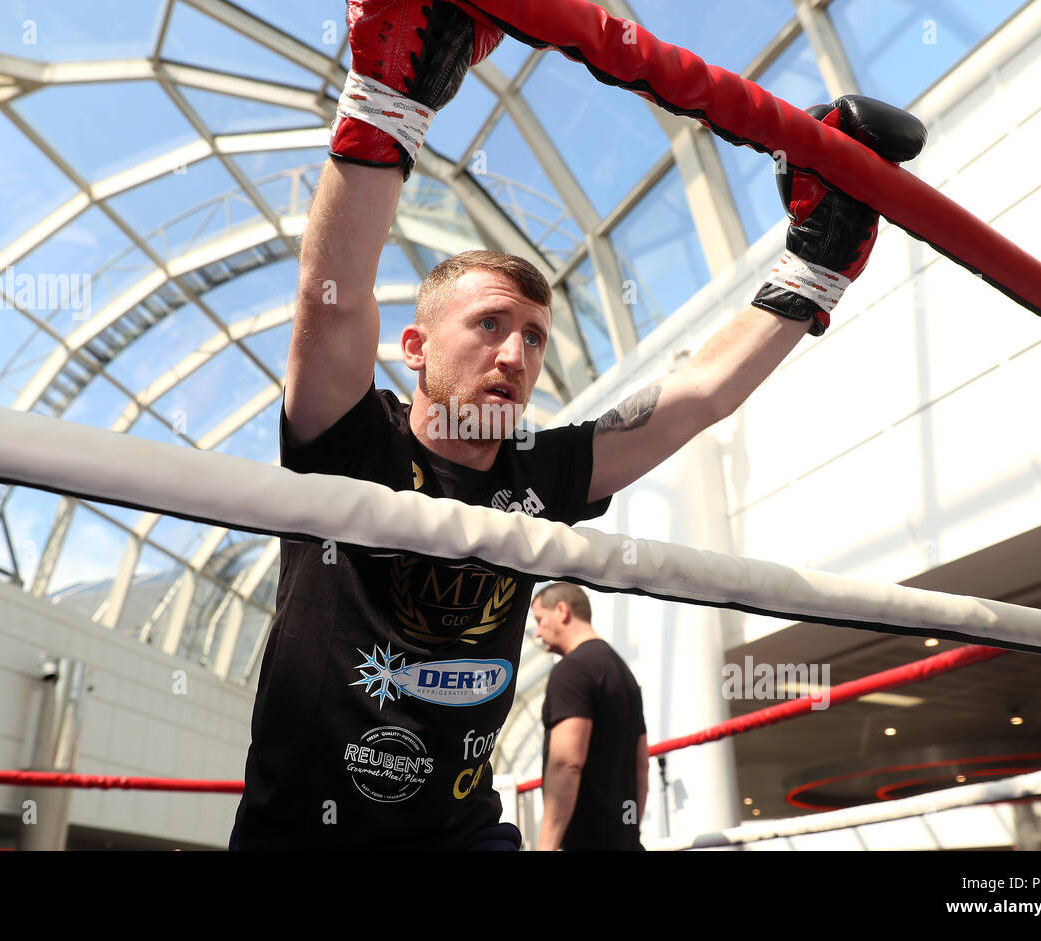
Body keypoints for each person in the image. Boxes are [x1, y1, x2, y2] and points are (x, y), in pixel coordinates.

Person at [230, 0, 925, 850]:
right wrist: (389, 91)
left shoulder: (537, 470)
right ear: (412, 346)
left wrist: (819, 259)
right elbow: (329, 305)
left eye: (532, 336)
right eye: (488, 325)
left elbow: (698, 393)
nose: (516, 355)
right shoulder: (351, 438)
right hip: (304, 836)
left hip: (466, 834)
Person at [532, 583, 647, 851]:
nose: (537, 632)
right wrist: (628, 834)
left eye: (539, 620)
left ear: (562, 611)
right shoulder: (623, 672)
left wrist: (546, 847)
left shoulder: (571, 671)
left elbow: (566, 764)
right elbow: (642, 767)